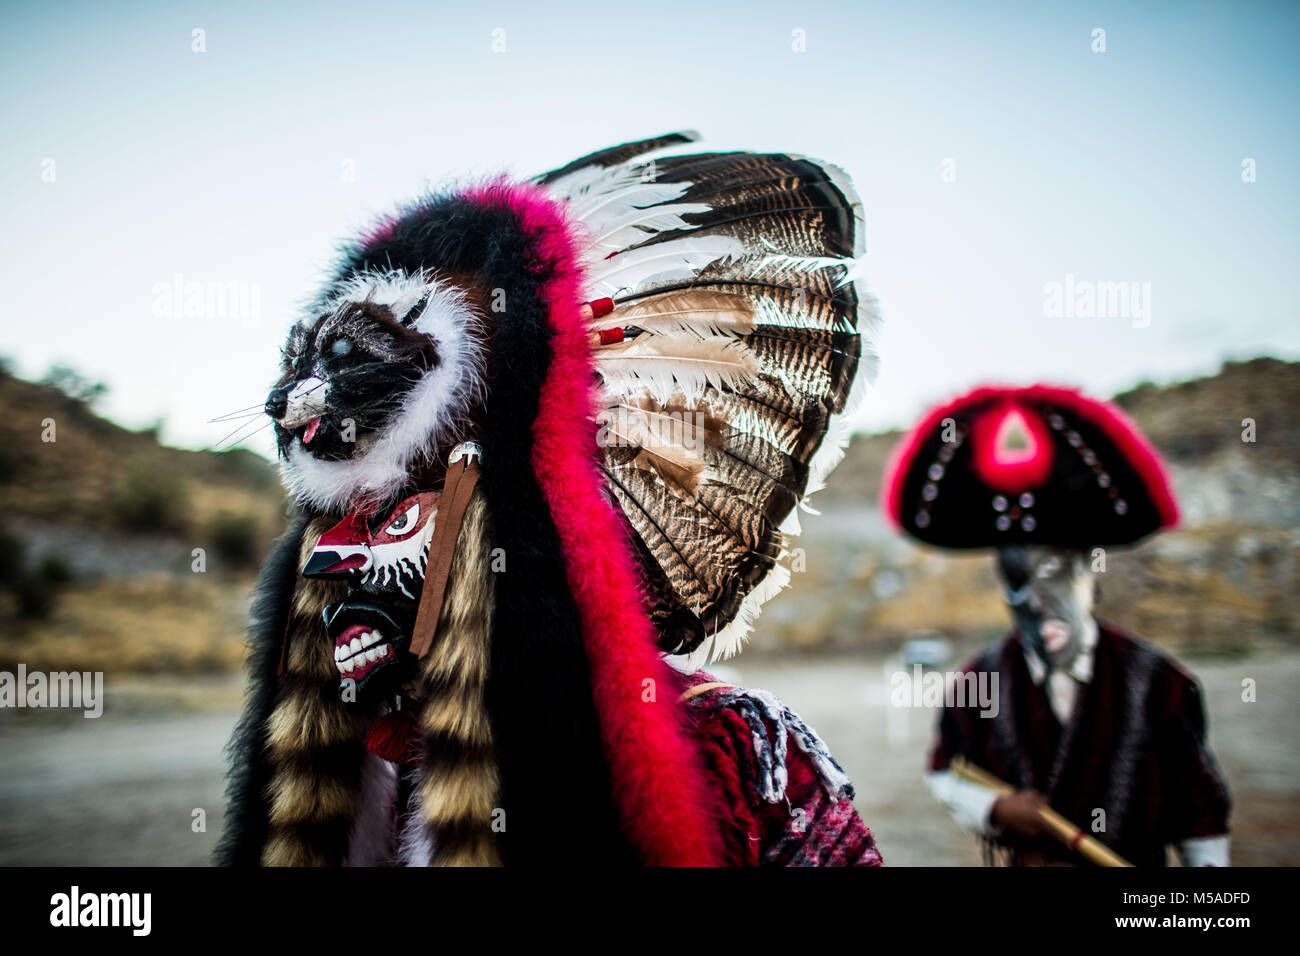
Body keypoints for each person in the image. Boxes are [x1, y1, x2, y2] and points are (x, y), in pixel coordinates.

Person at [882, 385, 1231, 866]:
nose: (1039, 605)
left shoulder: (1160, 682)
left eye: (1058, 574)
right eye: (1019, 583)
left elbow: (1201, 815)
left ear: (1090, 573)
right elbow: (947, 771)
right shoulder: (978, 679)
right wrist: (996, 807)